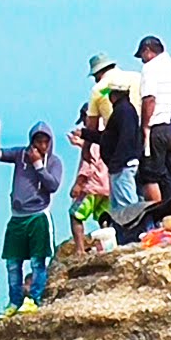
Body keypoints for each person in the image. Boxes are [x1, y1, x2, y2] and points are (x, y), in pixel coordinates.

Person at [0, 118, 63, 317]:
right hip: (17, 217)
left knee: (38, 262)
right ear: (31, 141)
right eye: (38, 141)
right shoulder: (20, 155)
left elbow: (53, 185)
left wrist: (39, 165)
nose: (42, 146)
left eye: (46, 142)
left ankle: (33, 299)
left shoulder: (54, 162)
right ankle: (14, 301)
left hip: (38, 216)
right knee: (13, 263)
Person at [67, 75, 143, 239]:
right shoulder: (123, 111)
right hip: (119, 166)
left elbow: (123, 140)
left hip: (122, 165)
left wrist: (116, 162)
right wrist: (85, 134)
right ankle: (123, 238)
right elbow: (108, 139)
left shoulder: (124, 112)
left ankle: (132, 237)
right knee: (117, 208)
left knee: (126, 205)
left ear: (115, 94)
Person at [136, 36, 171, 203]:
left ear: (148, 51)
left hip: (158, 126)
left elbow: (149, 99)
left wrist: (144, 126)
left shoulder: (150, 69)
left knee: (150, 175)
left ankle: (157, 214)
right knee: (170, 175)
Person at [68, 102, 110, 254]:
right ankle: (106, 246)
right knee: (103, 217)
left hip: (91, 186)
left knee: (75, 215)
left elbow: (89, 164)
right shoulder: (107, 135)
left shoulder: (91, 138)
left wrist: (78, 185)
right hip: (106, 186)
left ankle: (79, 249)